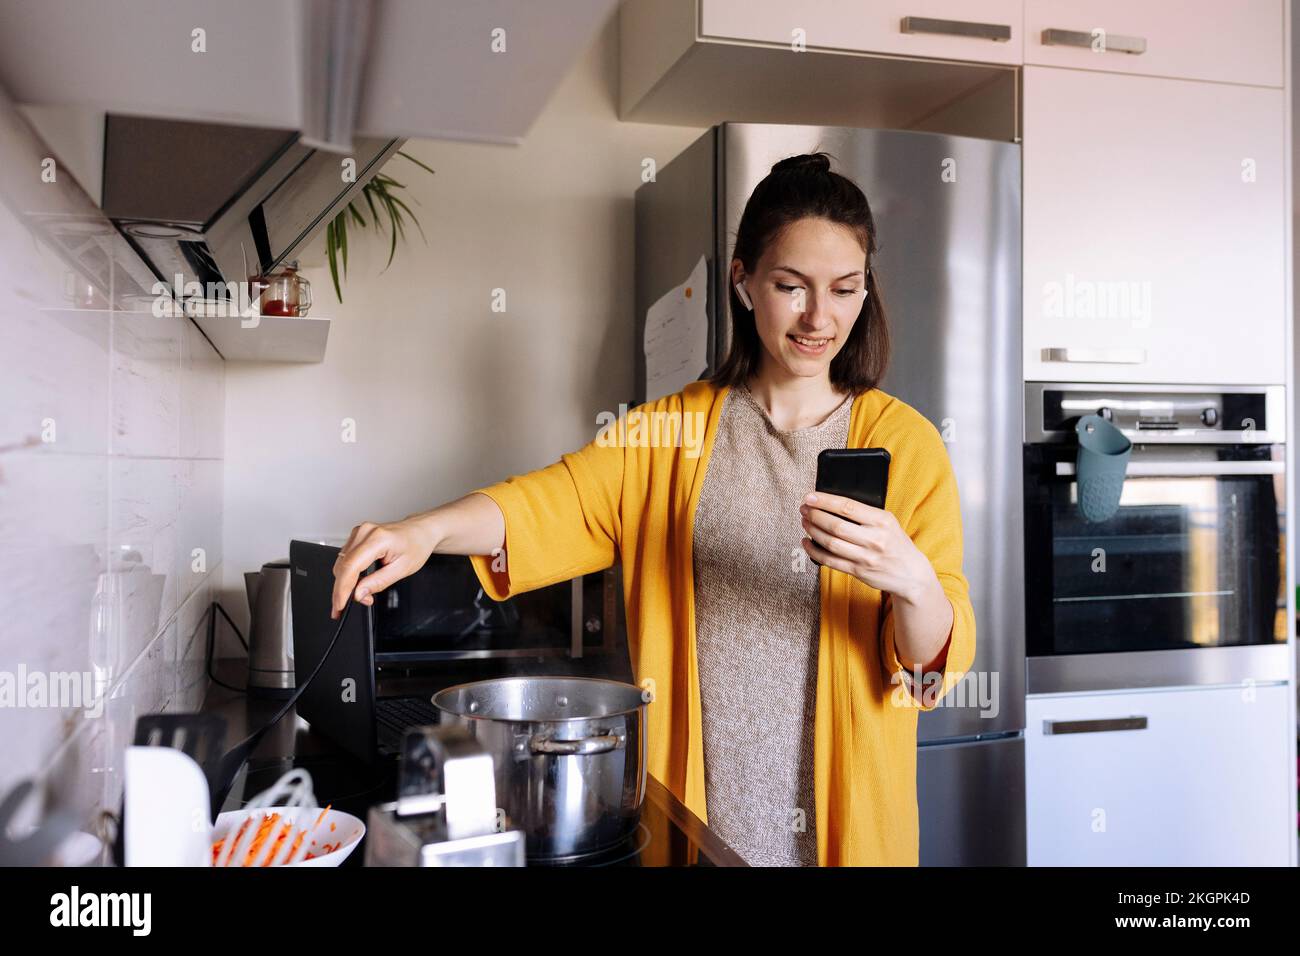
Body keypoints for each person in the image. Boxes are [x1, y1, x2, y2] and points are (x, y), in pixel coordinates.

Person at [331, 151, 976, 866]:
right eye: (790, 286)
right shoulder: (673, 430)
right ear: (744, 282)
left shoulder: (905, 444)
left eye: (845, 289)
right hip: (699, 820)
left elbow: (925, 667)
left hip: (847, 830)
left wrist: (910, 578)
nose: (820, 316)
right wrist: (423, 531)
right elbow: (556, 499)